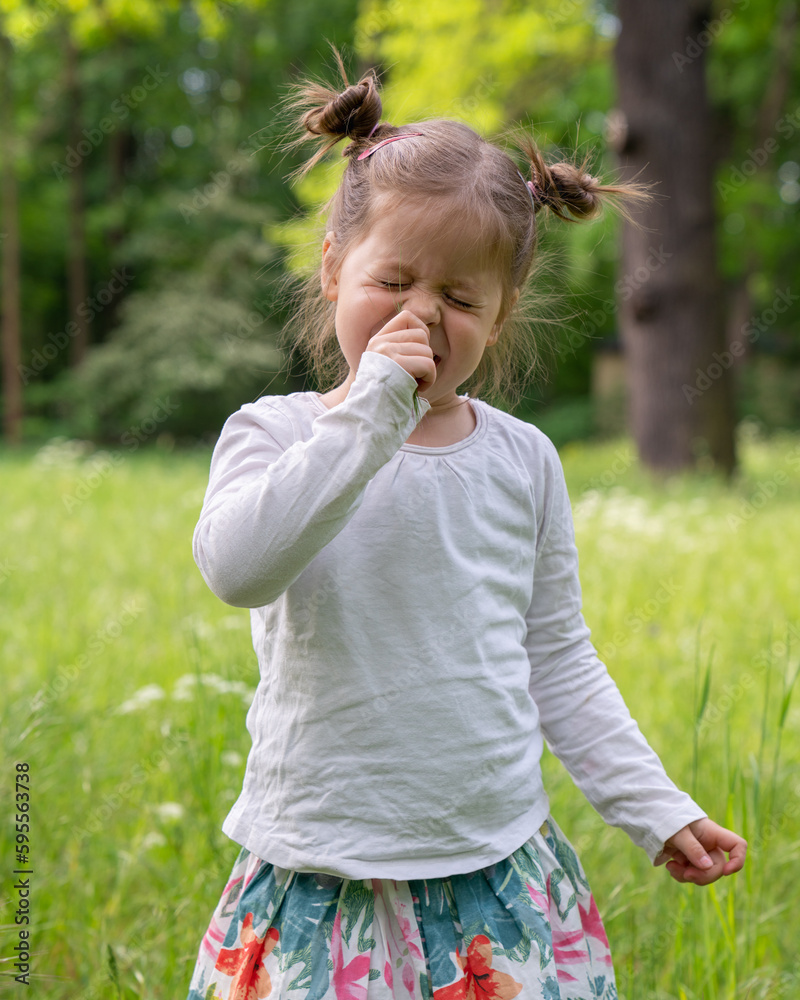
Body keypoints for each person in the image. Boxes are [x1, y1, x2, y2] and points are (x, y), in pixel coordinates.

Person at [185, 58, 746, 1000]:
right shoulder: (277, 434)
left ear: (500, 315)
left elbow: (557, 656)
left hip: (492, 868)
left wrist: (651, 804)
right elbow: (238, 569)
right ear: (333, 268)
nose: (421, 313)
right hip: (323, 866)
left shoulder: (521, 460)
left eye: (459, 297)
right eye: (393, 279)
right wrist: (370, 414)